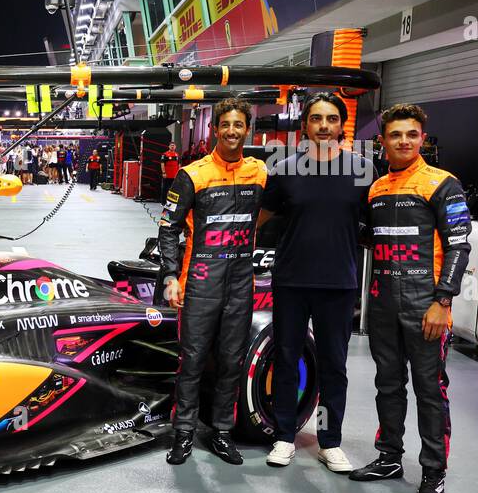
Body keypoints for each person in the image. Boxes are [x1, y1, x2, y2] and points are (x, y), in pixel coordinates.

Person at [350, 104, 471, 493]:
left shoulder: (442, 184)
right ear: (382, 141)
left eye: (411, 134)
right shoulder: (377, 187)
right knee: (388, 383)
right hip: (383, 300)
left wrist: (442, 301)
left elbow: (458, 245)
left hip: (426, 304)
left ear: (422, 139)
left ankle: (434, 471)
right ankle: (389, 458)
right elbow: (371, 236)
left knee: (430, 390)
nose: (403, 141)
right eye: (395, 135)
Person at [258, 92, 374, 472]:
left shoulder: (362, 170)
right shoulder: (285, 169)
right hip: (291, 280)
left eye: (331, 119)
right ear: (304, 125)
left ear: (342, 125)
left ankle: (329, 441)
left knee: (333, 365)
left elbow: (372, 226)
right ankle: (284, 436)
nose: (324, 126)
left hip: (338, 283)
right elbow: (262, 218)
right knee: (288, 360)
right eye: (316, 119)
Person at [159, 98, 268, 465]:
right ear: (214, 129)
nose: (232, 131)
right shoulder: (193, 174)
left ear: (246, 129)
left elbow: (273, 214)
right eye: (226, 125)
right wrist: (171, 275)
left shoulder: (259, 173)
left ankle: (223, 432)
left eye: (239, 125)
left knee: (231, 360)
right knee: (191, 360)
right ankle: (184, 433)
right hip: (200, 280)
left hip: (240, 281)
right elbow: (168, 227)